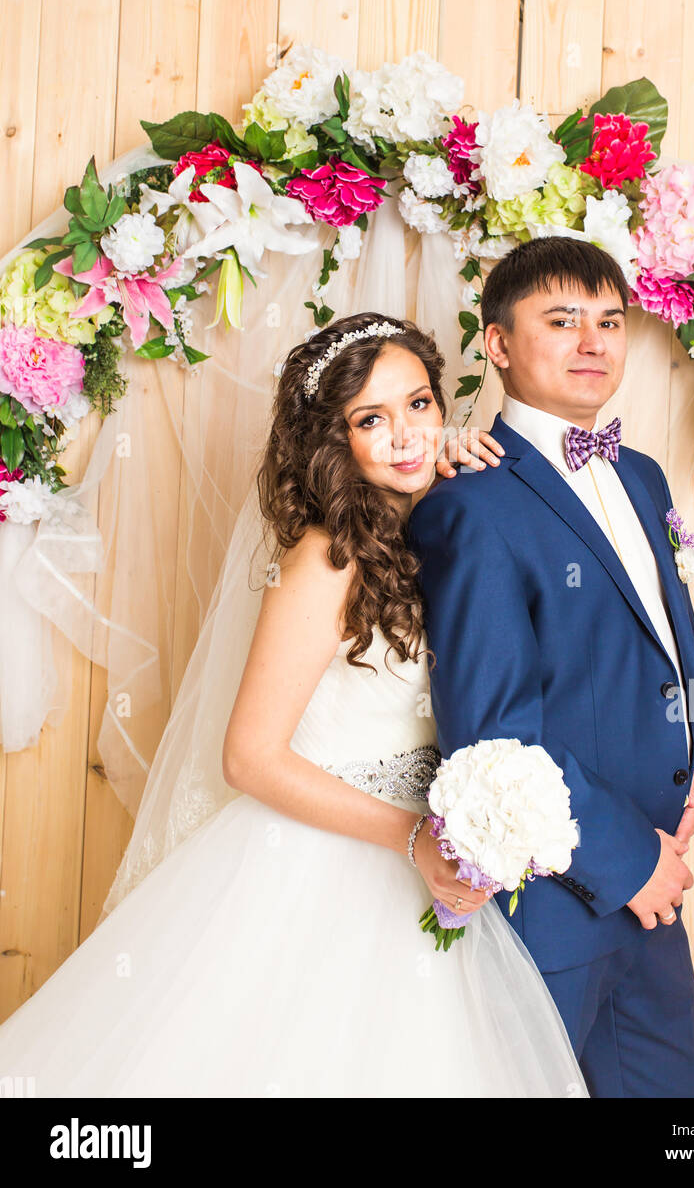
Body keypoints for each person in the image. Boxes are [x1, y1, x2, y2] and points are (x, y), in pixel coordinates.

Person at [0, 312, 587, 1098]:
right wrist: (415, 836)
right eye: (370, 420)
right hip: (325, 862)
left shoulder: (434, 526)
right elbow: (249, 757)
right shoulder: (325, 557)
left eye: (420, 405)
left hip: (423, 867)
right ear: (333, 440)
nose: (407, 434)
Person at [407, 238, 694, 1099]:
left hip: (659, 887)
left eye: (609, 321)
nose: (593, 341)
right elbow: (494, 739)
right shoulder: (471, 501)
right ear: (500, 345)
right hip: (556, 902)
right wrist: (629, 862)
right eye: (561, 321)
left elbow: (683, 643)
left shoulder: (641, 473)